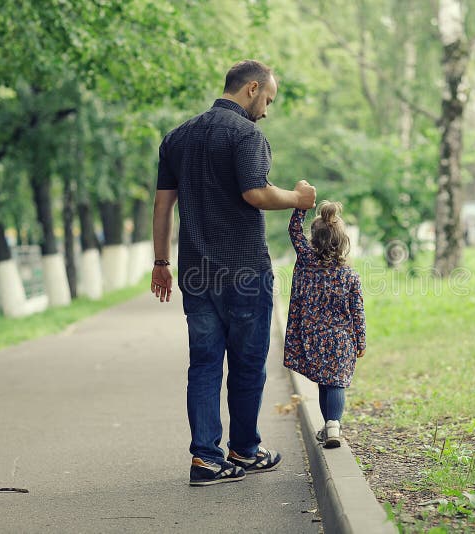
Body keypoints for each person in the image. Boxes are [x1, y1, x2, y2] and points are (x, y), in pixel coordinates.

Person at [151, 60, 317, 486]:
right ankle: (244, 449)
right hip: (244, 271)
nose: (266, 110)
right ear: (252, 89)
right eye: (268, 100)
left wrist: (161, 263)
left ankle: (205, 459)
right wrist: (298, 198)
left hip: (195, 273)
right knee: (247, 365)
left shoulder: (177, 138)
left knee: (204, 365)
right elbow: (257, 192)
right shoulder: (246, 135)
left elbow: (163, 205)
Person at [283, 201, 366, 448]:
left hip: (312, 336)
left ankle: (329, 426)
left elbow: (294, 230)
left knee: (323, 381)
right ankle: (333, 425)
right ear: (343, 242)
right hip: (342, 338)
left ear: (313, 240)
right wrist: (361, 340)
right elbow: (357, 311)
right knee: (336, 382)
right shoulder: (350, 275)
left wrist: (302, 204)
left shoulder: (307, 260)